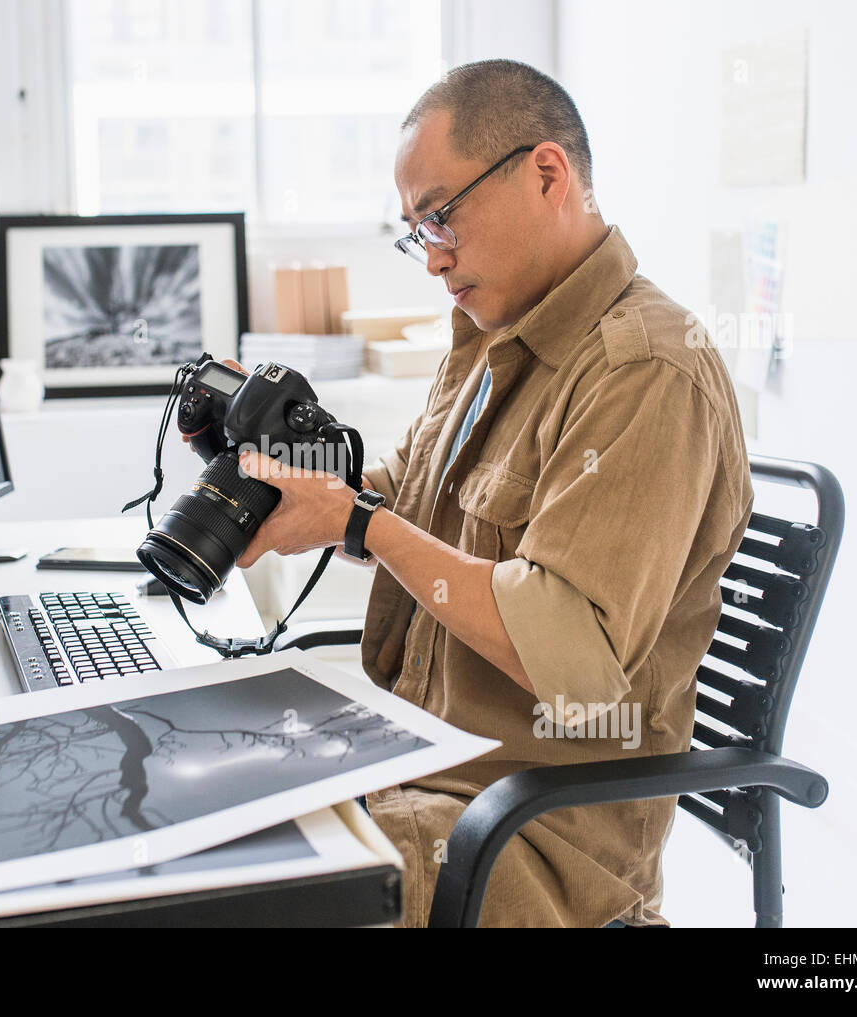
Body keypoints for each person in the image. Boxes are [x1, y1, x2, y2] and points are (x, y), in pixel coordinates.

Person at [233, 59, 752, 927]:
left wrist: (361, 525)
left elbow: (568, 651)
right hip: (422, 767)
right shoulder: (493, 334)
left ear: (548, 174)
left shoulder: (646, 370)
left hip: (526, 835)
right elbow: (411, 495)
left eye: (441, 216)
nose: (432, 258)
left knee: (223, 889)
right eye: (414, 230)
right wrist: (287, 467)